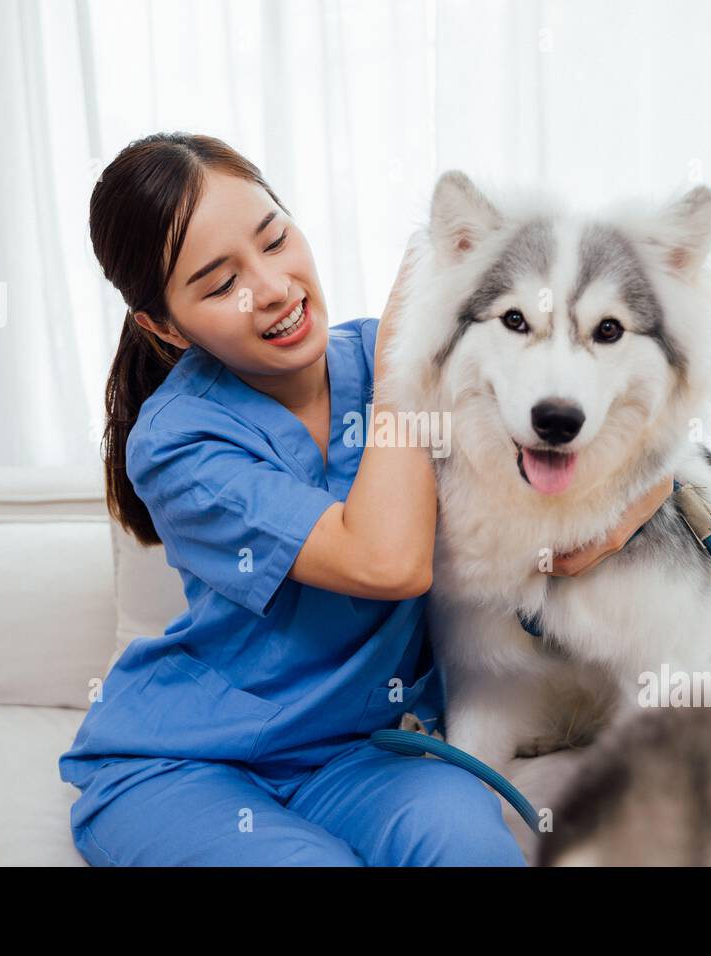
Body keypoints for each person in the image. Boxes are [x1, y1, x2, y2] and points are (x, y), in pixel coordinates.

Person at [57, 131, 670, 866]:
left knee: (472, 852)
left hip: (370, 752)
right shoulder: (178, 442)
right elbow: (387, 563)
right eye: (220, 285)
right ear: (163, 324)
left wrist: (609, 524)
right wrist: (399, 370)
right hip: (189, 766)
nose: (275, 287)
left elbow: (607, 442)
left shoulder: (416, 358)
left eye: (274, 239)